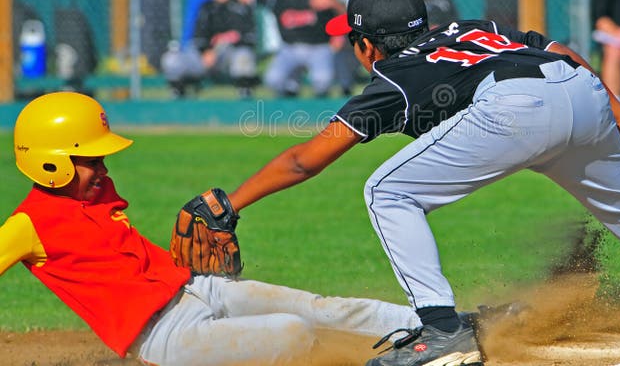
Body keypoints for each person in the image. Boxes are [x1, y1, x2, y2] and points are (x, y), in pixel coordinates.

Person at [223, 0, 620, 366]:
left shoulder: (393, 78)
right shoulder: (468, 28)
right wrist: (619, 111)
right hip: (579, 89)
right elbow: (554, 48)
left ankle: (441, 331)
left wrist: (227, 204)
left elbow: (304, 159)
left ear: (365, 45)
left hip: (515, 110)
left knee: (387, 192)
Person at [1, 91, 422, 366]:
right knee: (294, 332)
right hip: (165, 334)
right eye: (91, 161)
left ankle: (433, 326)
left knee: (318, 307)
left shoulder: (95, 191)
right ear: (50, 162)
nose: (104, 169)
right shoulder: (28, 225)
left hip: (197, 288)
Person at [238, 0, 344, 97]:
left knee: (322, 81)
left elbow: (345, 13)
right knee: (272, 80)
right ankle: (291, 90)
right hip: (289, 48)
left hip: (319, 47)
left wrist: (333, 3)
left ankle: (317, 105)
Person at [161, 0, 258, 99]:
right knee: (171, 59)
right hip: (205, 60)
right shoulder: (205, 9)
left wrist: (230, 40)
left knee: (243, 56)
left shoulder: (241, 8)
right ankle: (179, 93)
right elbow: (198, 37)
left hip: (228, 59)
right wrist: (205, 51)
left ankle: (245, 94)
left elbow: (251, 38)